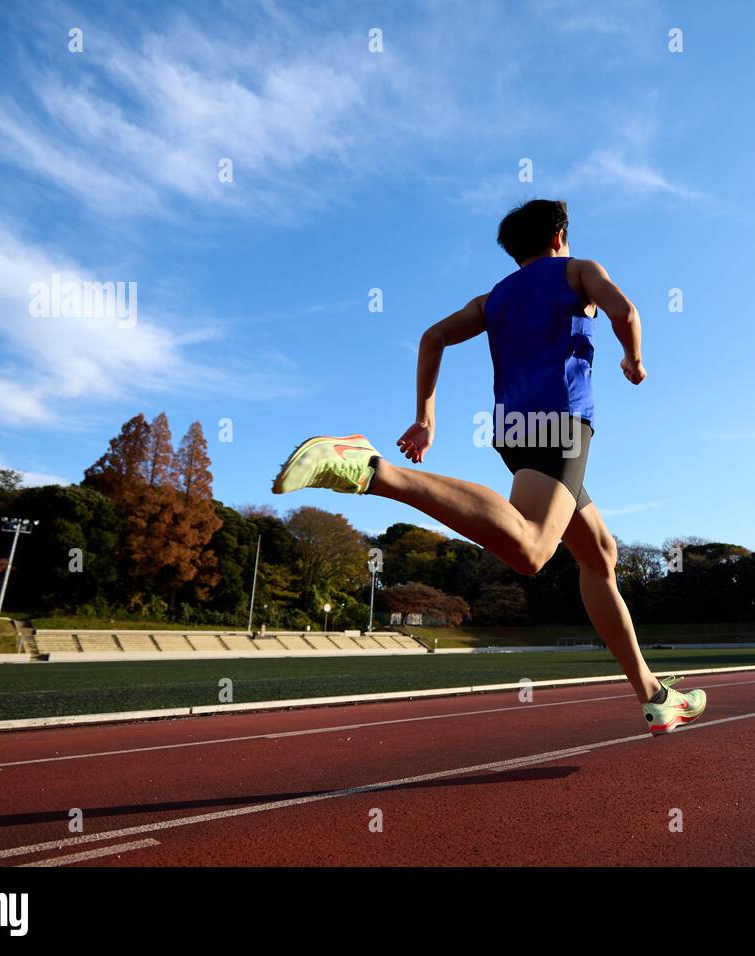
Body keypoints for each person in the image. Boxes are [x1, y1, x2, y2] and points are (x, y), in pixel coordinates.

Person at [272, 199, 706, 734]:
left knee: (600, 554)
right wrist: (633, 361)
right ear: (559, 236)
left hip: (514, 432)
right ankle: (374, 470)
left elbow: (432, 337)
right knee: (530, 550)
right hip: (562, 424)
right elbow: (625, 312)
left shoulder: (494, 297)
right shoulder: (579, 270)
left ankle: (655, 694)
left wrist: (425, 419)